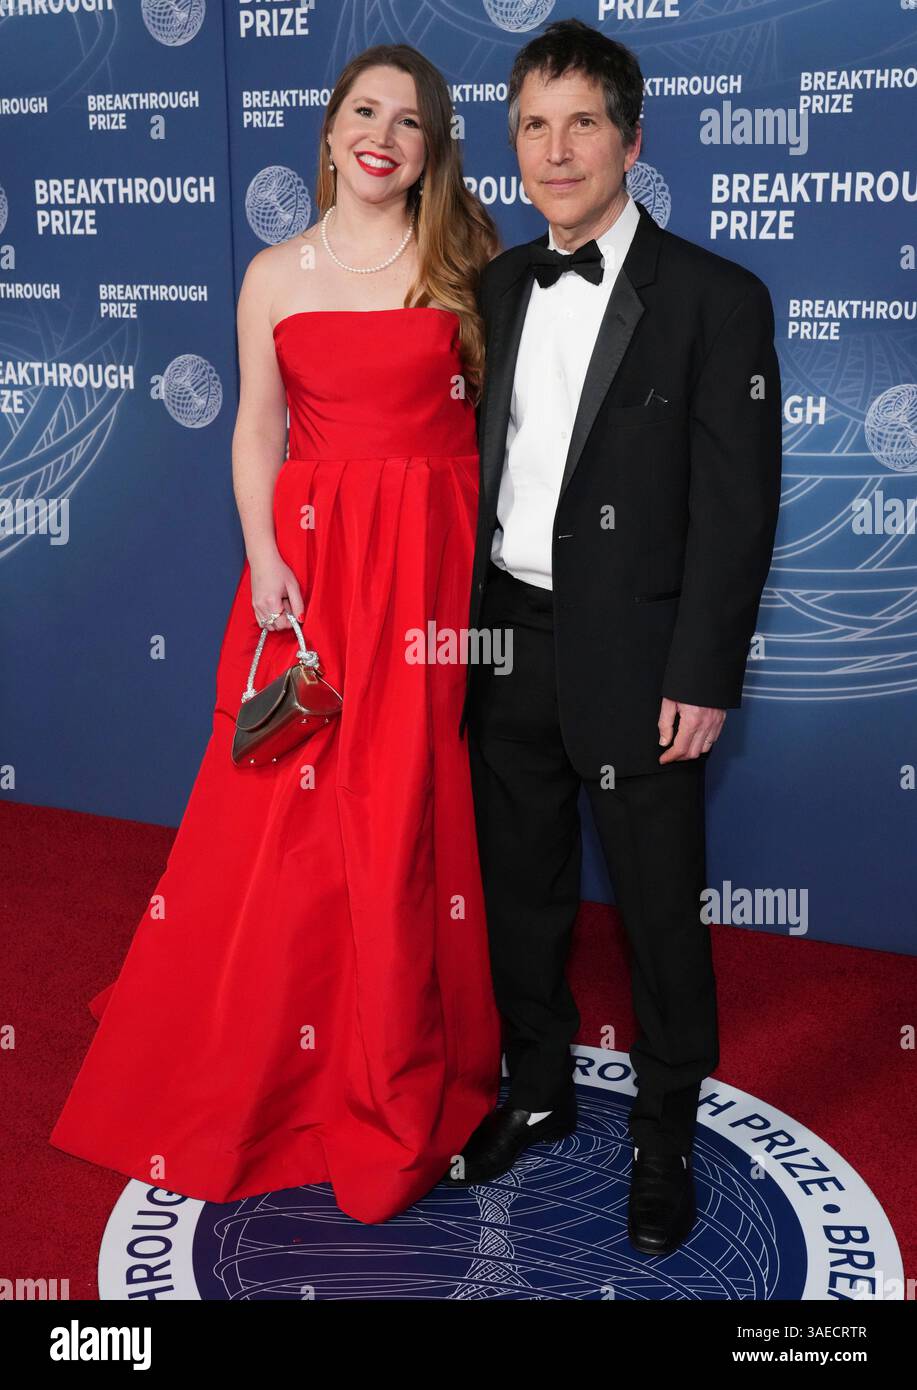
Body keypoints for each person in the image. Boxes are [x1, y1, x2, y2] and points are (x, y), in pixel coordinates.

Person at [49, 45, 503, 1224]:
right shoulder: (272, 273)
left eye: (410, 122)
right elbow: (255, 429)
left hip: (430, 567)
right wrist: (264, 555)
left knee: (401, 802)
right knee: (290, 805)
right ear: (330, 127)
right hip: (313, 560)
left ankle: (392, 1060)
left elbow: (508, 426)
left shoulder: (463, 259)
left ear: (432, 146)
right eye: (365, 112)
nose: (383, 137)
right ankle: (275, 1052)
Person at [447, 19, 783, 1256]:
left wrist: (701, 672)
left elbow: (737, 508)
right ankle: (533, 1084)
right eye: (532, 124)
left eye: (580, 121)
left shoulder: (715, 299)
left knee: (654, 910)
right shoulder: (495, 282)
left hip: (641, 660)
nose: (555, 148)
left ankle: (663, 1128)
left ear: (631, 139)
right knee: (519, 889)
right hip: (505, 639)